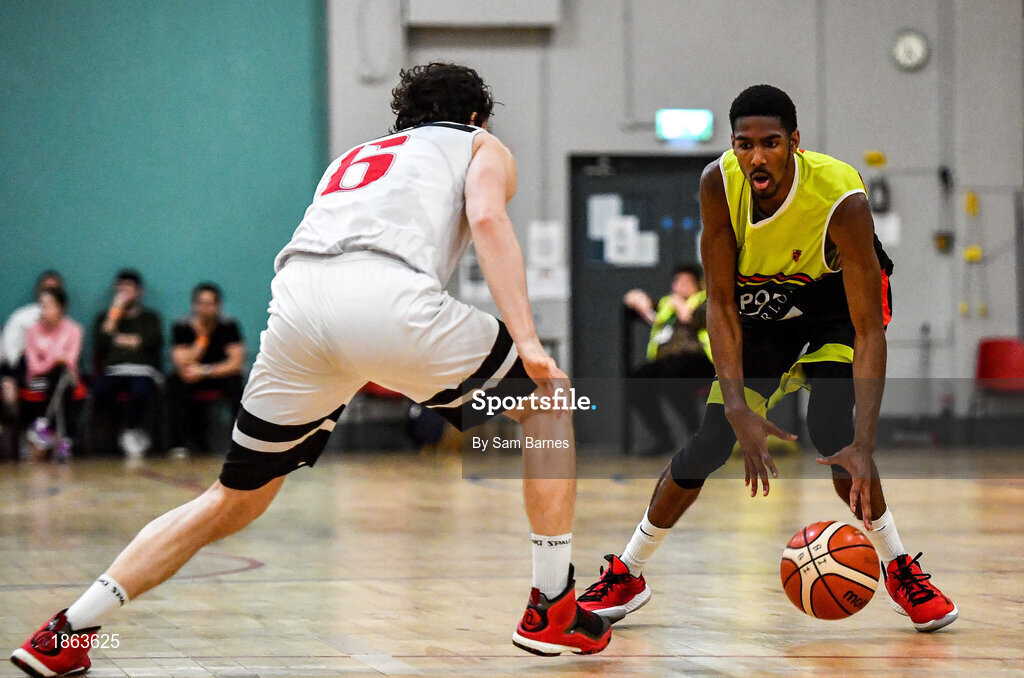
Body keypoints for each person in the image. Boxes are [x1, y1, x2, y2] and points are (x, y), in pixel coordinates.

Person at [10, 62, 609, 678]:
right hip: (388, 299)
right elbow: (486, 218)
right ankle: (552, 606)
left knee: (232, 499)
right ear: (476, 115)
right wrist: (531, 342)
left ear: (402, 118)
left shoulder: (355, 156)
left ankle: (67, 631)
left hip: (297, 308)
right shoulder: (480, 143)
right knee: (550, 404)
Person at [578, 85, 957, 633]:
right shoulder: (718, 182)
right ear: (732, 146)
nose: (756, 156)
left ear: (795, 143)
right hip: (760, 311)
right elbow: (722, 302)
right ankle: (628, 572)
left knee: (833, 431)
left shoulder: (839, 194)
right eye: (744, 144)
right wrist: (735, 405)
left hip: (832, 310)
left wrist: (866, 438)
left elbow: (870, 330)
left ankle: (899, 569)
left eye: (771, 143)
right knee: (709, 440)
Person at [624, 264, 715, 454]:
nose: (680, 286)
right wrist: (637, 299)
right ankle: (663, 438)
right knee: (637, 380)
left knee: (674, 377)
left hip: (699, 361)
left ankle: (696, 433)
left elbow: (692, 319)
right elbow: (636, 301)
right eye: (677, 281)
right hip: (666, 362)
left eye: (686, 282)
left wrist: (679, 303)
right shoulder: (666, 303)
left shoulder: (706, 302)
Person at [90, 269, 164, 458]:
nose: (123, 293)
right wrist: (115, 313)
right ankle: (113, 436)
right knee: (102, 390)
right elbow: (102, 341)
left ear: (139, 292)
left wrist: (119, 339)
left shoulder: (150, 318)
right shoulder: (104, 318)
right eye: (120, 289)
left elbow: (151, 342)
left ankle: (132, 430)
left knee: (140, 390)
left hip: (143, 372)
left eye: (128, 288)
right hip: (114, 371)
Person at [166, 283, 245, 456]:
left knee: (237, 385)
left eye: (210, 304)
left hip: (218, 375)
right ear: (194, 305)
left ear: (218, 306)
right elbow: (181, 361)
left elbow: (235, 363)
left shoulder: (229, 326)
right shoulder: (182, 326)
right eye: (201, 303)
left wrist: (205, 371)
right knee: (174, 383)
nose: (205, 308)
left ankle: (240, 443)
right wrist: (202, 338)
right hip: (192, 376)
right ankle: (179, 444)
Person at [0, 271, 65, 460]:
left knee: (58, 383)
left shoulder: (69, 326)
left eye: (54, 289)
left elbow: (67, 356)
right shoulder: (23, 318)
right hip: (24, 370)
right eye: (46, 289)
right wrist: (8, 376)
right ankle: (27, 437)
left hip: (51, 373)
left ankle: (48, 437)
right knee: (20, 390)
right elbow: (13, 353)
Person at [21, 288, 85, 462]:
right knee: (57, 381)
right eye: (42, 305)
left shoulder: (74, 330)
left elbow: (70, 361)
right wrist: (54, 359)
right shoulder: (33, 331)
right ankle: (64, 440)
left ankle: (43, 425)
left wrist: (48, 359)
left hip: (67, 380)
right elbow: (33, 366)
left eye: (49, 305)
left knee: (61, 377)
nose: (44, 310)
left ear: (60, 307)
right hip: (37, 382)